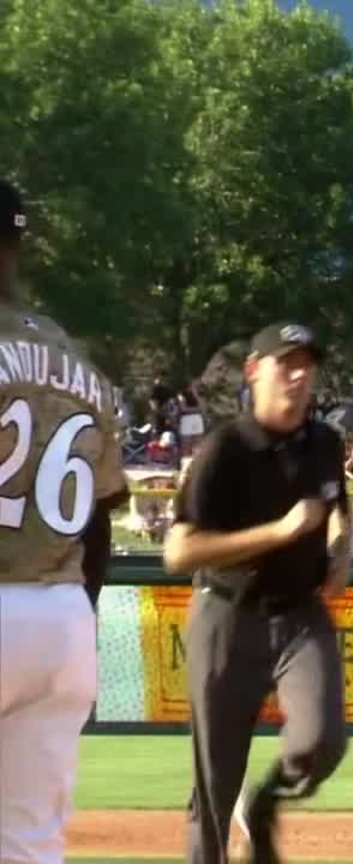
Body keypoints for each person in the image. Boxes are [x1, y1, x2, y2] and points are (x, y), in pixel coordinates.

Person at [162, 322, 353, 864]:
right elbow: (178, 551)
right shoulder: (226, 448)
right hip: (228, 613)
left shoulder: (324, 442)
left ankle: (264, 805)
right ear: (254, 371)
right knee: (213, 782)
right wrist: (280, 532)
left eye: (306, 365)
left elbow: (339, 508)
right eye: (285, 363)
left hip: (300, 613)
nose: (298, 376)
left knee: (322, 740)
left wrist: (341, 553)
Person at [0, 178, 131, 864]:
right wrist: (74, 617)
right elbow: (103, 513)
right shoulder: (71, 357)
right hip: (61, 623)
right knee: (30, 844)